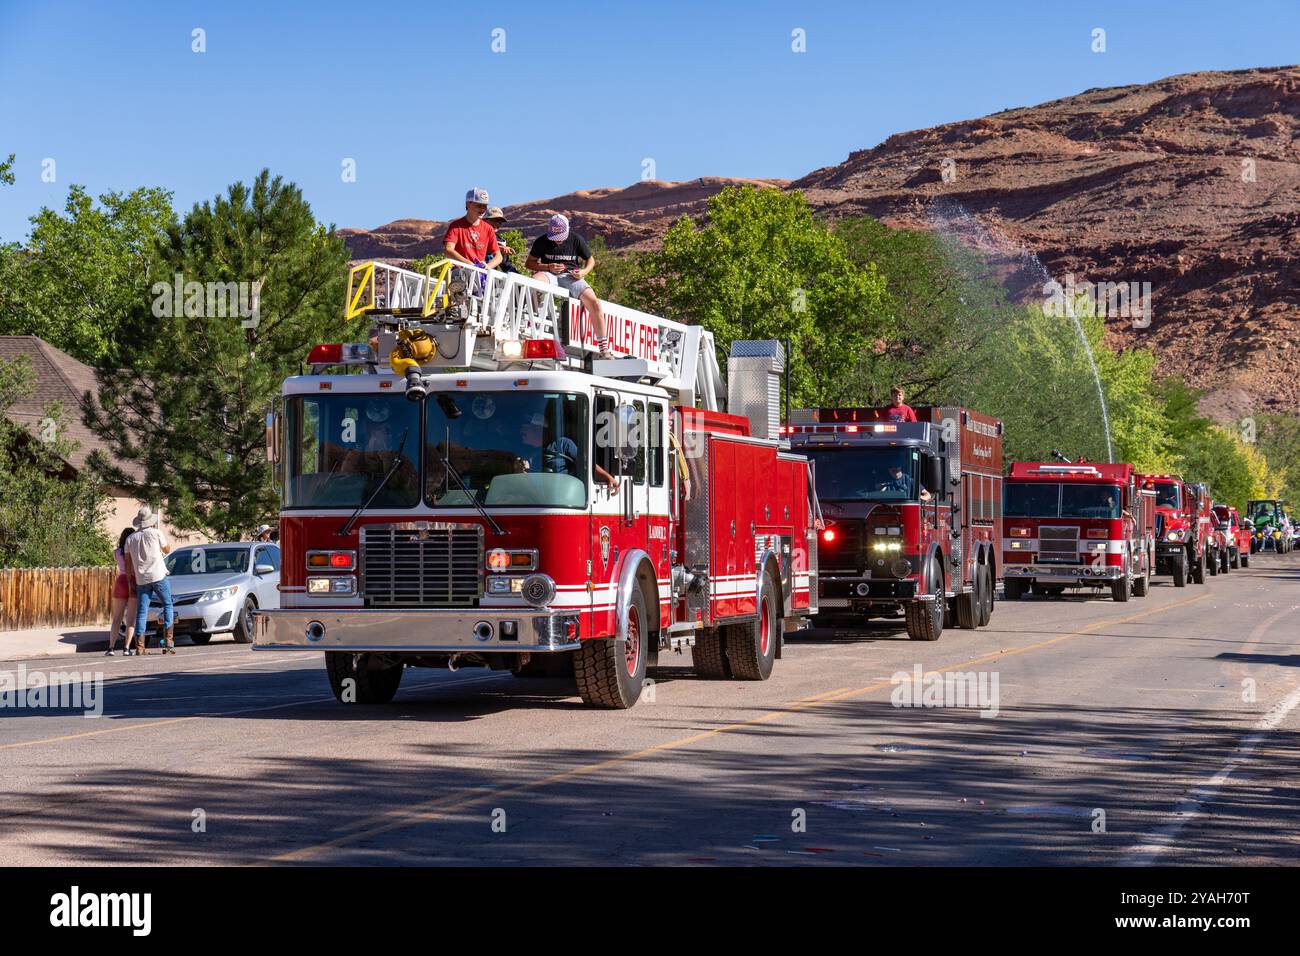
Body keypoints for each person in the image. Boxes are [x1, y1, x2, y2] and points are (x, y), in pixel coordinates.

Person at [527, 214, 613, 359]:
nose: (558, 239)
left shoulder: (576, 239)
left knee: (595, 303)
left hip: (570, 276)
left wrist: (583, 272)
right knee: (533, 283)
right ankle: (531, 326)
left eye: (560, 235)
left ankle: (604, 348)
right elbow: (529, 263)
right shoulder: (542, 241)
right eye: (555, 236)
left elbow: (590, 260)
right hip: (549, 274)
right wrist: (548, 266)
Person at [518, 412, 618, 491]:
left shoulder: (563, 444)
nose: (522, 430)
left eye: (526, 427)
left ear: (539, 429)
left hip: (562, 495)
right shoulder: (522, 452)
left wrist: (608, 477)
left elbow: (586, 464)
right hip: (533, 496)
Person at [127, 506, 175, 655]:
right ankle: (168, 641)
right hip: (158, 575)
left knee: (142, 612)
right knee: (167, 605)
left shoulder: (130, 539)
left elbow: (128, 563)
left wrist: (130, 581)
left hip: (141, 578)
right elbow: (167, 550)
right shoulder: (156, 533)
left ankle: (140, 647)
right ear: (150, 521)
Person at [443, 187, 502, 272]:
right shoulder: (456, 226)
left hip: (479, 275)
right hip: (458, 273)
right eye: (479, 205)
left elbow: (498, 256)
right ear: (468, 204)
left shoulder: (488, 229)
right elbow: (448, 250)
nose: (482, 209)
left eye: (485, 206)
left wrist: (488, 266)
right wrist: (469, 264)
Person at [106, 527, 138, 656]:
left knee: (117, 618)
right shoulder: (135, 552)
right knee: (130, 619)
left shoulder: (116, 552)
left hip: (121, 581)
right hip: (133, 581)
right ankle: (126, 648)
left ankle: (111, 647)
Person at [484, 207, 518, 274]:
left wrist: (519, 278)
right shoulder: (476, 233)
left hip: (489, 276)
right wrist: (499, 248)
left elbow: (506, 265)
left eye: (500, 222)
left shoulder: (500, 240)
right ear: (484, 220)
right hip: (472, 270)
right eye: (495, 220)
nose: (497, 224)